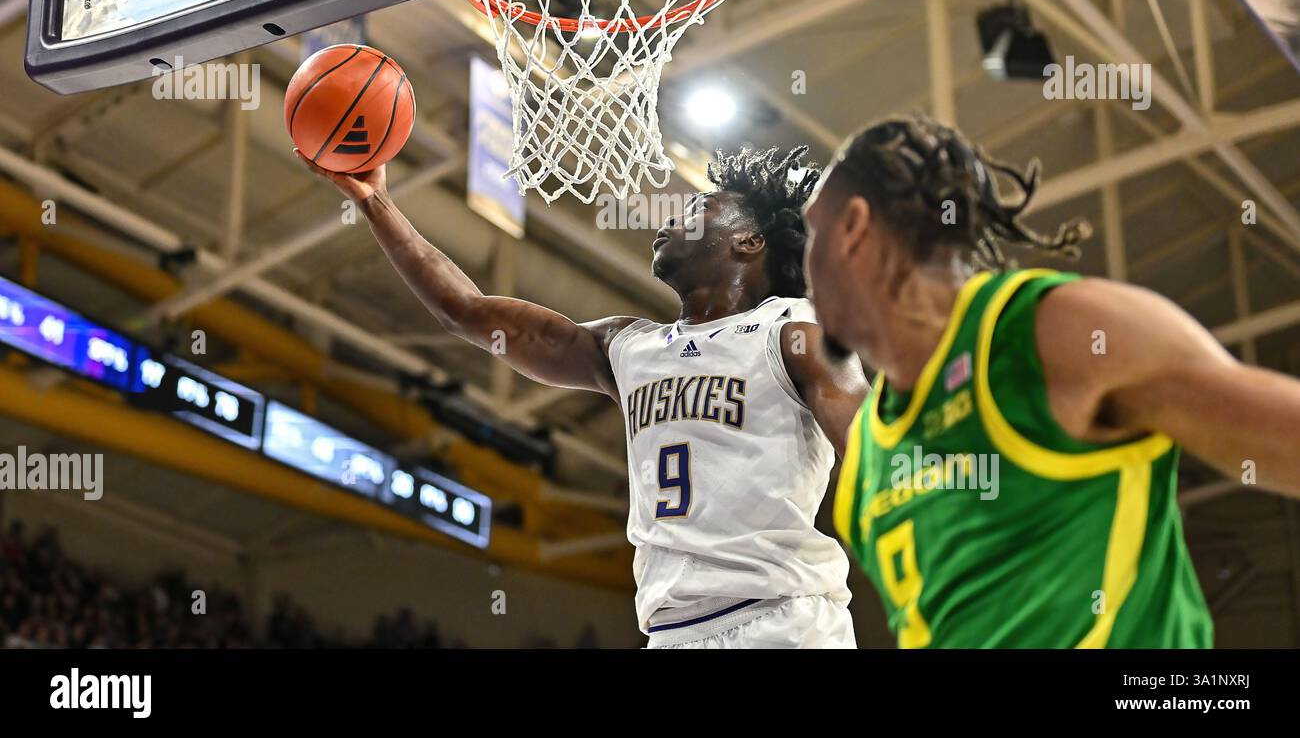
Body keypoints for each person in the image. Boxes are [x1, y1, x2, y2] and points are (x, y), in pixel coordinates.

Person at [297, 145, 865, 648]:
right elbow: (465, 312)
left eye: (700, 210)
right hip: (673, 633)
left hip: (783, 621)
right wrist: (376, 202)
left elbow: (874, 443)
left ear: (749, 240)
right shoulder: (626, 347)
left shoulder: (794, 331)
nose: (673, 220)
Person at [800, 114, 1300, 648]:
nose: (804, 266)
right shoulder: (867, 461)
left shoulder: (1055, 334)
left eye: (811, 233)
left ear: (853, 227)